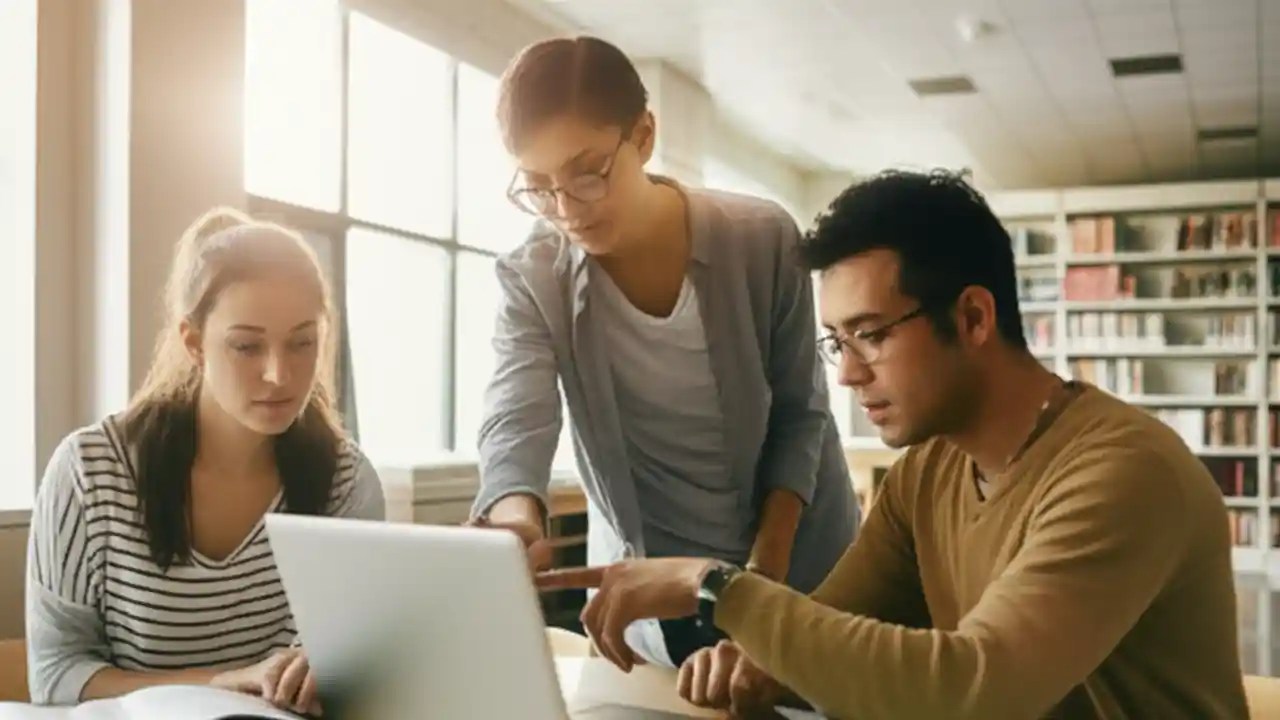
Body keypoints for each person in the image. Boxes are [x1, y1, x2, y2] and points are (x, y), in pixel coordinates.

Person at [539, 170, 1249, 719]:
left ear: (972, 316)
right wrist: (758, 663)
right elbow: (836, 626)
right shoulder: (928, 473)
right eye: (836, 342)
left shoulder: (1122, 473)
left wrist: (713, 586)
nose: (847, 373)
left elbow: (973, 690)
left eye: (872, 335)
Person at [470, 35, 859, 669]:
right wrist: (516, 521)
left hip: (796, 569)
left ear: (644, 136)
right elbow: (516, 416)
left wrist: (757, 589)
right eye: (539, 187)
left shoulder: (760, 240)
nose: (566, 209)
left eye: (587, 171)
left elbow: (801, 415)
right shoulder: (532, 276)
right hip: (655, 589)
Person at [25, 208, 385, 710]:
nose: (279, 374)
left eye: (302, 342)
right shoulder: (88, 472)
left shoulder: (346, 482)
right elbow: (55, 673)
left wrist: (328, 674)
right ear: (194, 343)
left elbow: (364, 667)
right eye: (246, 346)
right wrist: (218, 681)